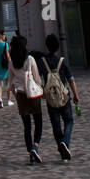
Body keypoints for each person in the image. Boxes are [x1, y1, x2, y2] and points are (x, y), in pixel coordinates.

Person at [37, 33, 80, 162]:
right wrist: (76, 95)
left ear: (47, 46)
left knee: (56, 124)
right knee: (69, 121)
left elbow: (38, 80)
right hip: (64, 96)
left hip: (50, 98)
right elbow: (71, 79)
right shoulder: (62, 61)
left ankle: (62, 149)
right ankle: (65, 142)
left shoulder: (42, 62)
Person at [7, 34, 44, 164]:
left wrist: (15, 94)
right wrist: (40, 88)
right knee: (38, 121)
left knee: (27, 125)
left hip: (21, 95)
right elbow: (37, 78)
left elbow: (10, 83)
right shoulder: (30, 59)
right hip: (32, 94)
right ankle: (35, 146)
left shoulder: (12, 62)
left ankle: (30, 152)